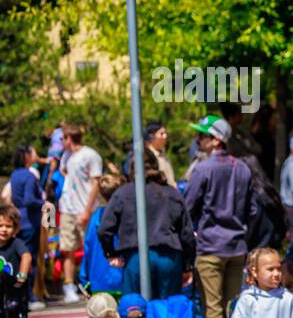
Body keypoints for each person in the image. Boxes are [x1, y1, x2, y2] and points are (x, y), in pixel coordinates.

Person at [185, 115, 254, 318]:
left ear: (216, 140)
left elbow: (188, 207)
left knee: (213, 312)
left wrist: (194, 233)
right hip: (236, 247)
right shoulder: (242, 168)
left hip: (210, 247)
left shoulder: (202, 169)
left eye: (201, 136)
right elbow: (252, 210)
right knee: (233, 309)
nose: (197, 140)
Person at [100, 150, 195, 299]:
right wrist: (187, 265)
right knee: (167, 311)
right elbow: (187, 233)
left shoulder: (123, 193)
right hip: (168, 257)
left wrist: (111, 254)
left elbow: (104, 230)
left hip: (134, 257)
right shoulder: (171, 193)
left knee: (135, 312)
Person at [55, 124, 102, 304]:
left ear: (69, 138)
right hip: (67, 207)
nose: (60, 142)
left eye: (62, 138)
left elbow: (96, 183)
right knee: (67, 248)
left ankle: (93, 282)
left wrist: (87, 210)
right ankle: (69, 286)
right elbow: (64, 172)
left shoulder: (90, 155)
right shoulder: (66, 156)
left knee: (91, 247)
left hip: (84, 208)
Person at [0, 204, 32, 318]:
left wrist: (22, 275)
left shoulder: (17, 244)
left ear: (15, 229)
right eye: (0, 225)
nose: (4, 229)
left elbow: (26, 257)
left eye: (8, 226)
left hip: (11, 299)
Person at [122, 121, 177, 187]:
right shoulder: (146, 157)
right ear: (151, 136)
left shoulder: (163, 155)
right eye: (161, 134)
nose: (165, 136)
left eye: (165, 133)